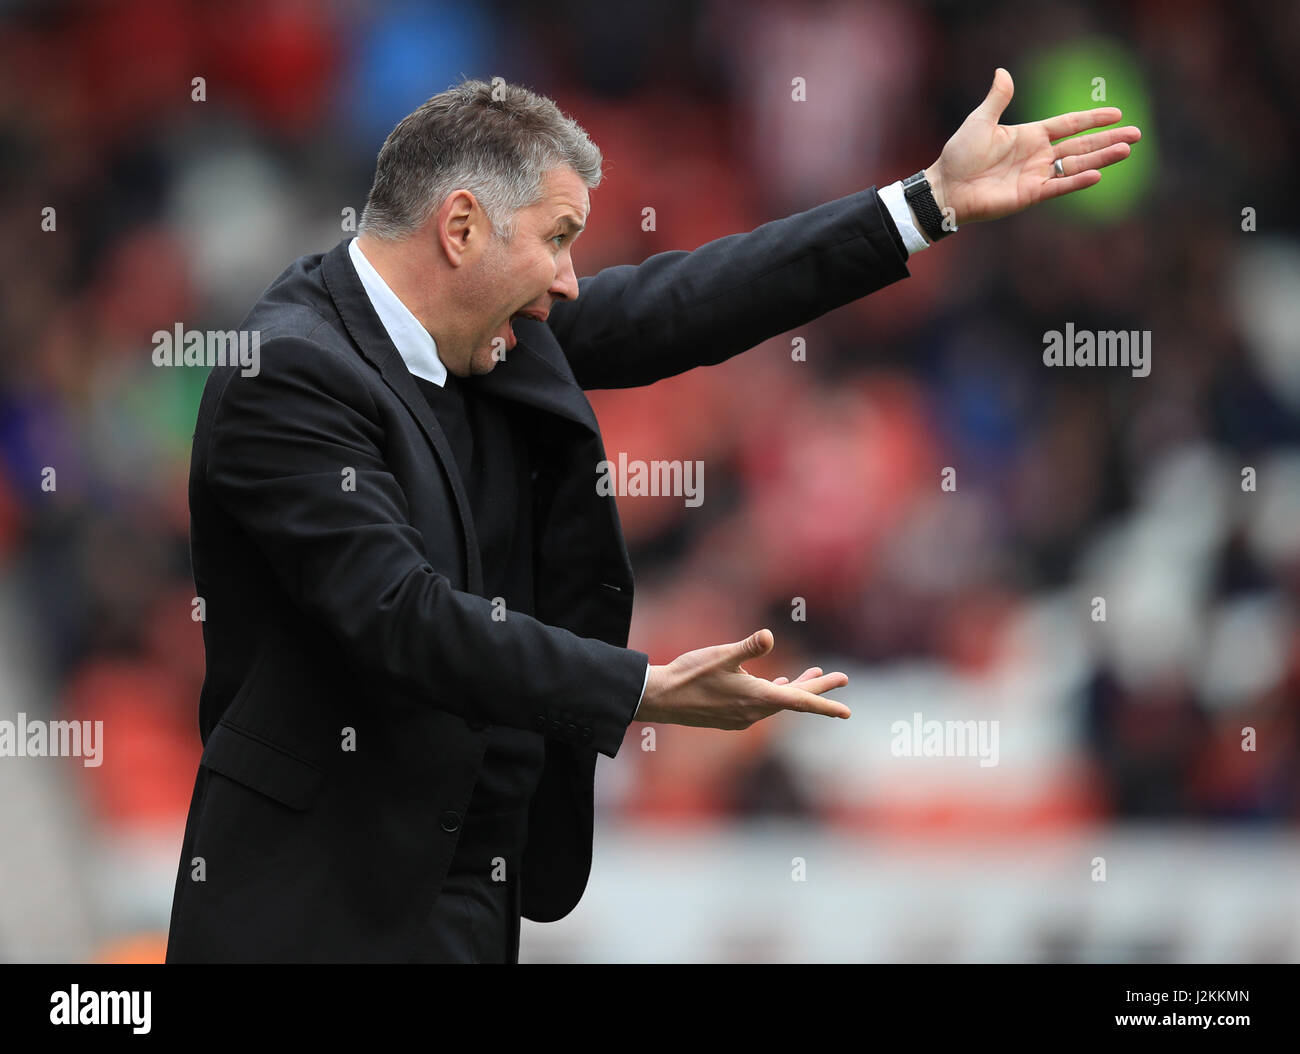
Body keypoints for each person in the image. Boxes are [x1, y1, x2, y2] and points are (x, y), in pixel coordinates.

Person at [163, 71, 1139, 963]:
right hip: (311, 907)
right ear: (459, 229)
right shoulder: (288, 375)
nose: (568, 281)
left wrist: (923, 207)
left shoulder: (491, 327)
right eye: (554, 240)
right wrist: (640, 689)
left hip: (466, 892)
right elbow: (400, 617)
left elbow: (686, 301)